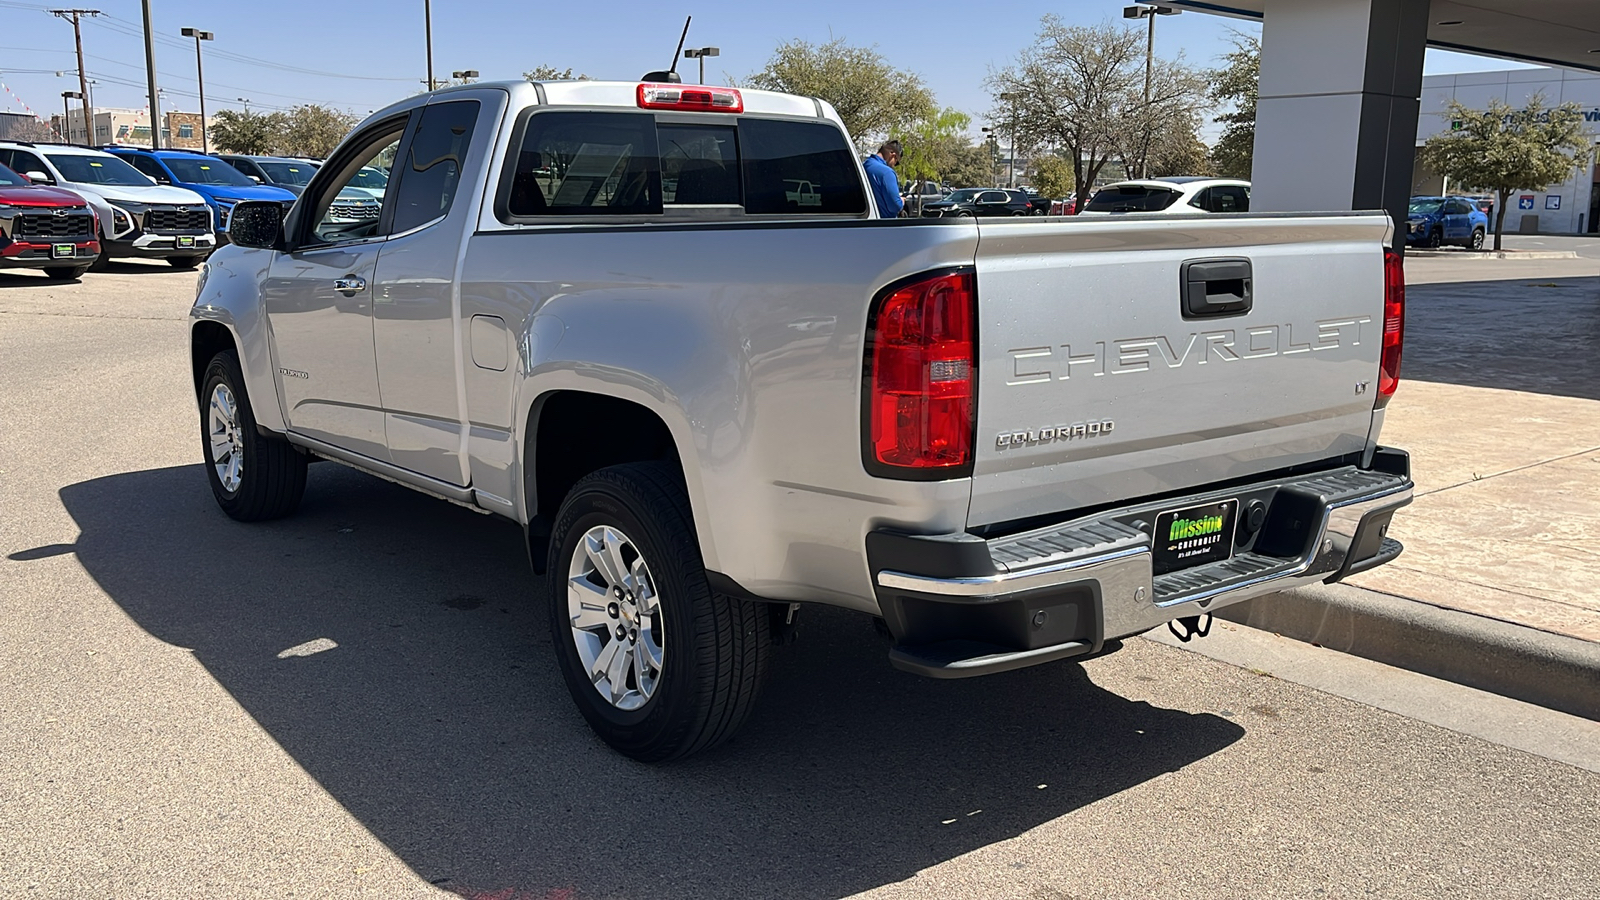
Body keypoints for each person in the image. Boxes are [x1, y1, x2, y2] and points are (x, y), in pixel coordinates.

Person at [862, 140, 904, 218]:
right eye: (896, 162)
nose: (894, 165)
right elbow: (895, 206)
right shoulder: (887, 173)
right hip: (885, 225)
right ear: (893, 154)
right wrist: (902, 201)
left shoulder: (863, 166)